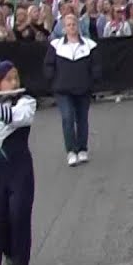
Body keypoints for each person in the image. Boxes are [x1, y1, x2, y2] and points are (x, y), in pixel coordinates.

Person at [0, 61, 38, 265]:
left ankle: (22, 264)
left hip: (19, 167)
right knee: (1, 218)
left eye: (16, 77)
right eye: (8, 79)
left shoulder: (26, 101)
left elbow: (20, 117)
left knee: (19, 214)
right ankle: (9, 252)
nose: (14, 82)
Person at [43, 12, 100, 167]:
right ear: (64, 28)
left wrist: (93, 79)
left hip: (83, 88)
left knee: (82, 120)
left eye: (74, 24)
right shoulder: (56, 45)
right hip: (63, 90)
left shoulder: (89, 45)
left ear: (78, 25)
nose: (71, 27)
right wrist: (52, 78)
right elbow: (48, 65)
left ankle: (82, 149)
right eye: (68, 25)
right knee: (67, 118)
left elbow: (96, 65)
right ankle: (71, 151)